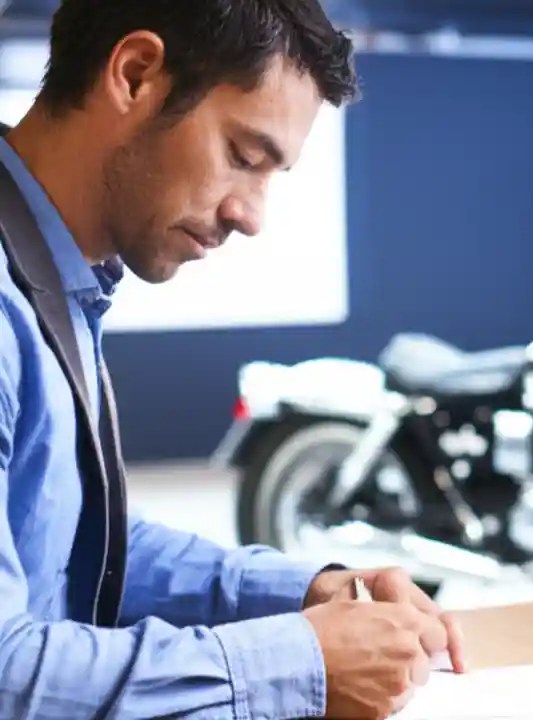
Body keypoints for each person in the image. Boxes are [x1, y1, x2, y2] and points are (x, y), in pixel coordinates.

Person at [0, 1, 465, 718]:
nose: (252, 215)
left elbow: (77, 552)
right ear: (135, 74)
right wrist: (302, 661)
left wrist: (312, 591)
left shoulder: (56, 280)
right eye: (244, 157)